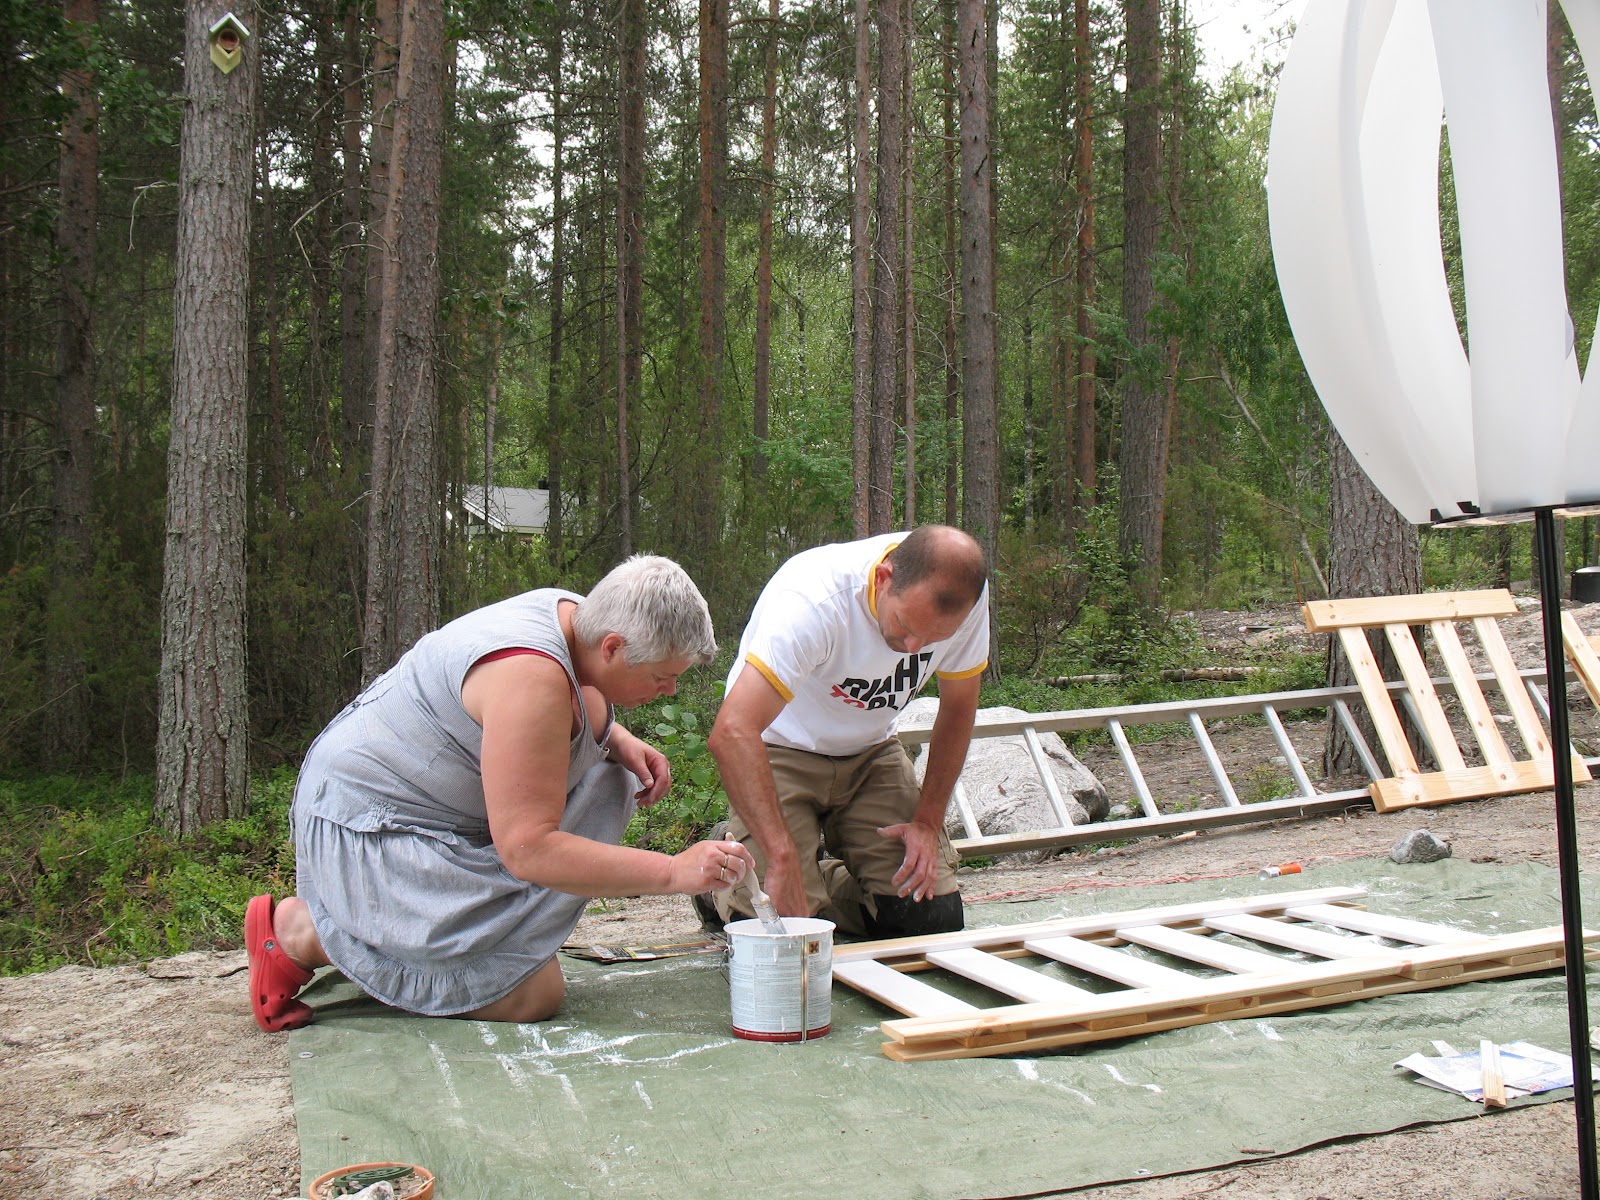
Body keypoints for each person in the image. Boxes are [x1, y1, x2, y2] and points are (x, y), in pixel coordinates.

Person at [246, 554, 756, 1032]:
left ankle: (433, 938)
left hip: (445, 815)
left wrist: (616, 739)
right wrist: (672, 872)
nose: (668, 691)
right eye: (662, 677)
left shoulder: (577, 616)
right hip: (373, 826)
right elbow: (528, 850)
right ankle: (303, 934)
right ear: (613, 647)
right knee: (532, 995)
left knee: (609, 775)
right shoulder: (531, 678)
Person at [704, 525, 989, 940]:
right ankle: (726, 887)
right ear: (882, 578)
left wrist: (927, 823)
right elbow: (731, 732)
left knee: (930, 918)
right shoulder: (813, 600)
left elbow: (959, 708)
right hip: (779, 748)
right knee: (783, 932)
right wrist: (780, 857)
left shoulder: (965, 598)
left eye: (932, 640)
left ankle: (814, 878)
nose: (913, 649)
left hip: (871, 752)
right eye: (906, 625)